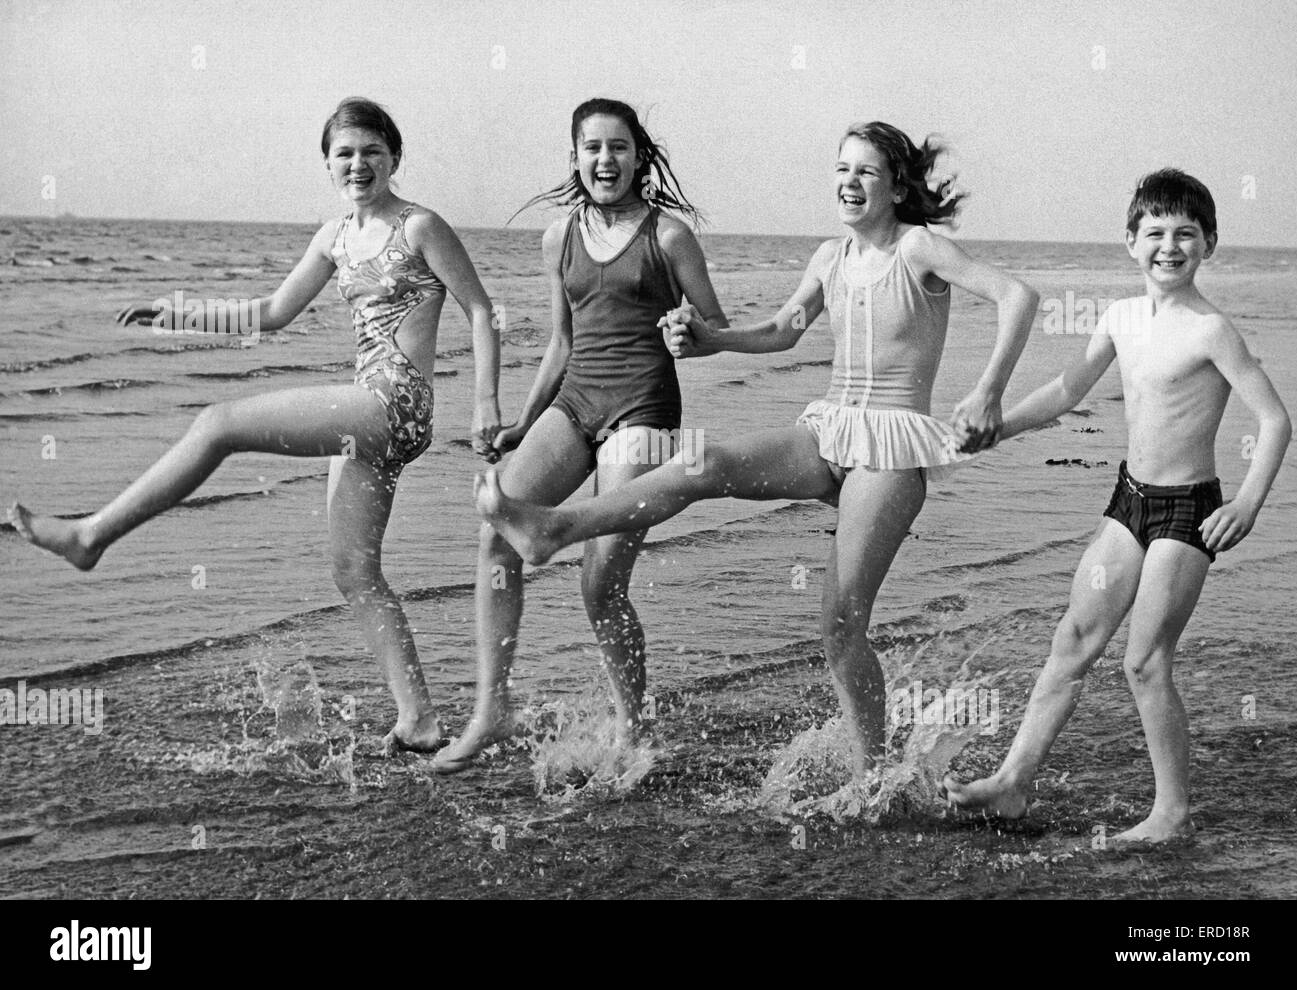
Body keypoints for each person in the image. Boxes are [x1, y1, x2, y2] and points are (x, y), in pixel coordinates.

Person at [473, 121, 1039, 778]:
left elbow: (1018, 296)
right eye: (841, 169)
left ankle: (876, 774)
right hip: (827, 432)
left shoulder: (918, 249)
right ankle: (554, 528)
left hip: (888, 450)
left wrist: (988, 393)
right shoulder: (830, 258)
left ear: (896, 186)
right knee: (701, 463)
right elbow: (780, 332)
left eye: (865, 172)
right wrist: (709, 339)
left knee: (839, 627)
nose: (849, 183)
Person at [9, 97, 501, 755]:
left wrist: (485, 404)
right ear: (328, 164)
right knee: (353, 570)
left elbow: (480, 309)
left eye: (371, 152)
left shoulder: (419, 227)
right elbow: (271, 313)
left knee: (217, 423)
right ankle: (420, 720)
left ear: (395, 157)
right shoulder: (332, 238)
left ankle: (90, 535)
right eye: (344, 154)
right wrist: (178, 314)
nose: (358, 165)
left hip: (396, 403)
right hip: (365, 410)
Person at [944, 168, 1292, 844]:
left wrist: (1248, 503)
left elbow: (1274, 420)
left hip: (1189, 512)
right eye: (1155, 233)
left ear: (1209, 244)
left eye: (1185, 234)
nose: (1169, 246)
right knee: (1073, 639)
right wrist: (998, 426)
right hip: (1130, 501)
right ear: (1130, 242)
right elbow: (1069, 389)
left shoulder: (1211, 330)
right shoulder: (1120, 317)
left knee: (1144, 661)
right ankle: (1014, 782)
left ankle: (1171, 814)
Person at [432, 98, 726, 772]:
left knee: (601, 581)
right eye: (592, 147)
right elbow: (562, 343)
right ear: (574, 157)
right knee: (495, 536)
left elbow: (716, 327)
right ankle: (491, 712)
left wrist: (692, 336)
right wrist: (522, 425)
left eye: (618, 147)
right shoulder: (557, 237)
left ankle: (630, 728)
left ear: (637, 156)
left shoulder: (669, 236)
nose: (605, 159)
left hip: (645, 411)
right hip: (574, 402)